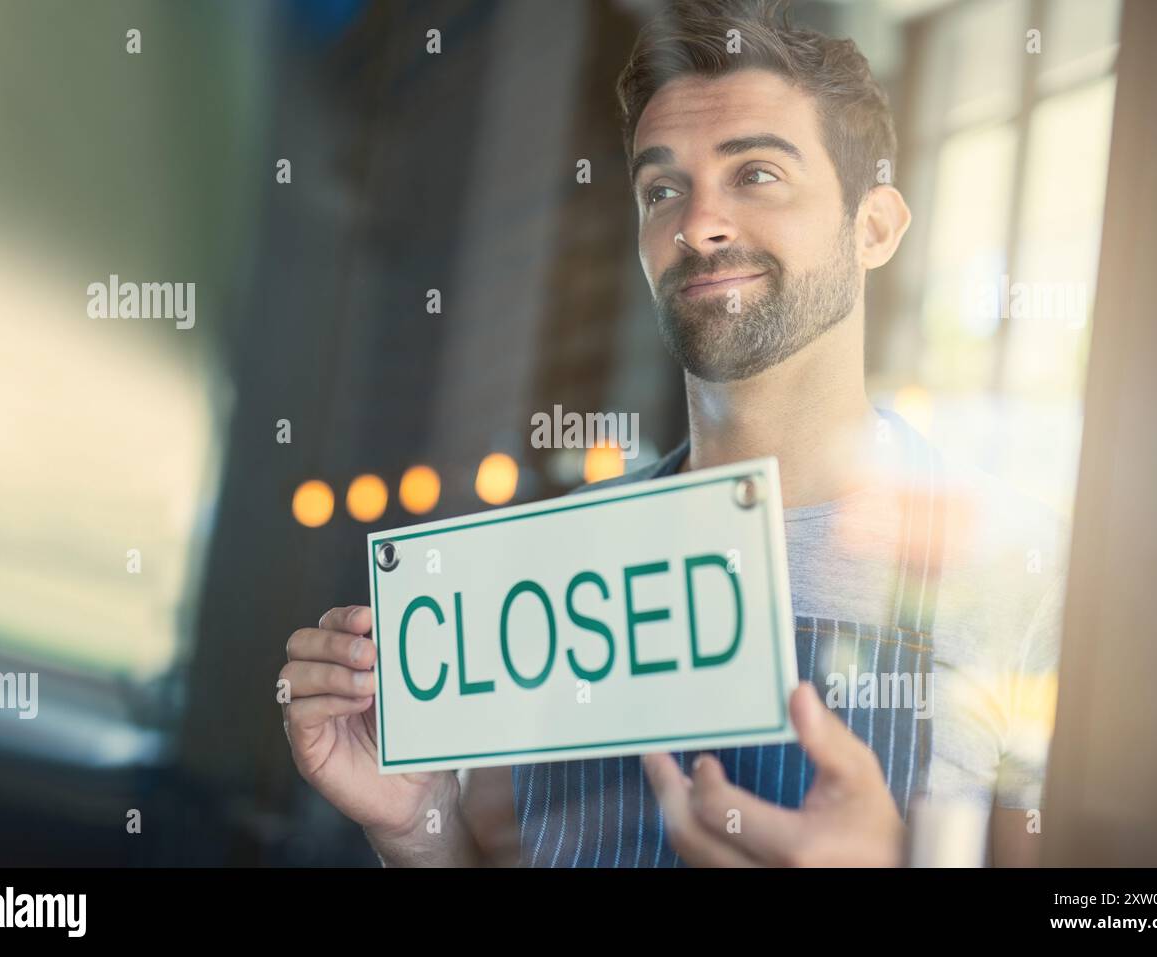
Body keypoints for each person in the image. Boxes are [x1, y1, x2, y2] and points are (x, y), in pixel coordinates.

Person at [278, 0, 1067, 867]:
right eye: (662, 189)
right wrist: (417, 826)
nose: (697, 224)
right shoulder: (549, 567)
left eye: (757, 173)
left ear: (873, 227)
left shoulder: (1024, 573)